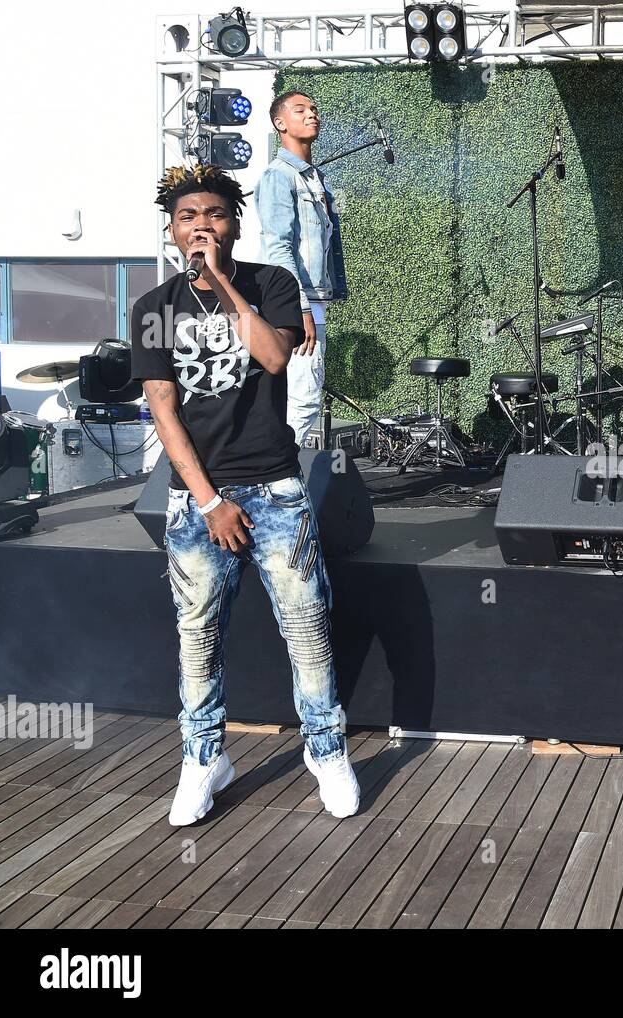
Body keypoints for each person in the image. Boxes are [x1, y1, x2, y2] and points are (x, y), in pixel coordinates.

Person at [131, 163, 359, 826]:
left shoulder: (272, 284)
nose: (201, 225)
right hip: (197, 501)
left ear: (234, 223)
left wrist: (227, 285)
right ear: (173, 231)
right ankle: (203, 758)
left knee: (307, 627)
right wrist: (208, 502)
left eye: (214, 214)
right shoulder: (152, 309)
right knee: (197, 637)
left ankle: (326, 750)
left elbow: (273, 358)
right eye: (187, 217)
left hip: (276, 489)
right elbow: (164, 412)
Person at [256, 90, 348, 446]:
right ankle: (282, 485)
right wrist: (300, 307)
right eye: (300, 110)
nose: (312, 114)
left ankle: (281, 481)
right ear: (280, 123)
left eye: (314, 109)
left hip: (312, 299)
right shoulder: (280, 176)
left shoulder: (314, 178)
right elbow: (278, 247)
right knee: (303, 399)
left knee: (301, 397)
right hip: (296, 302)